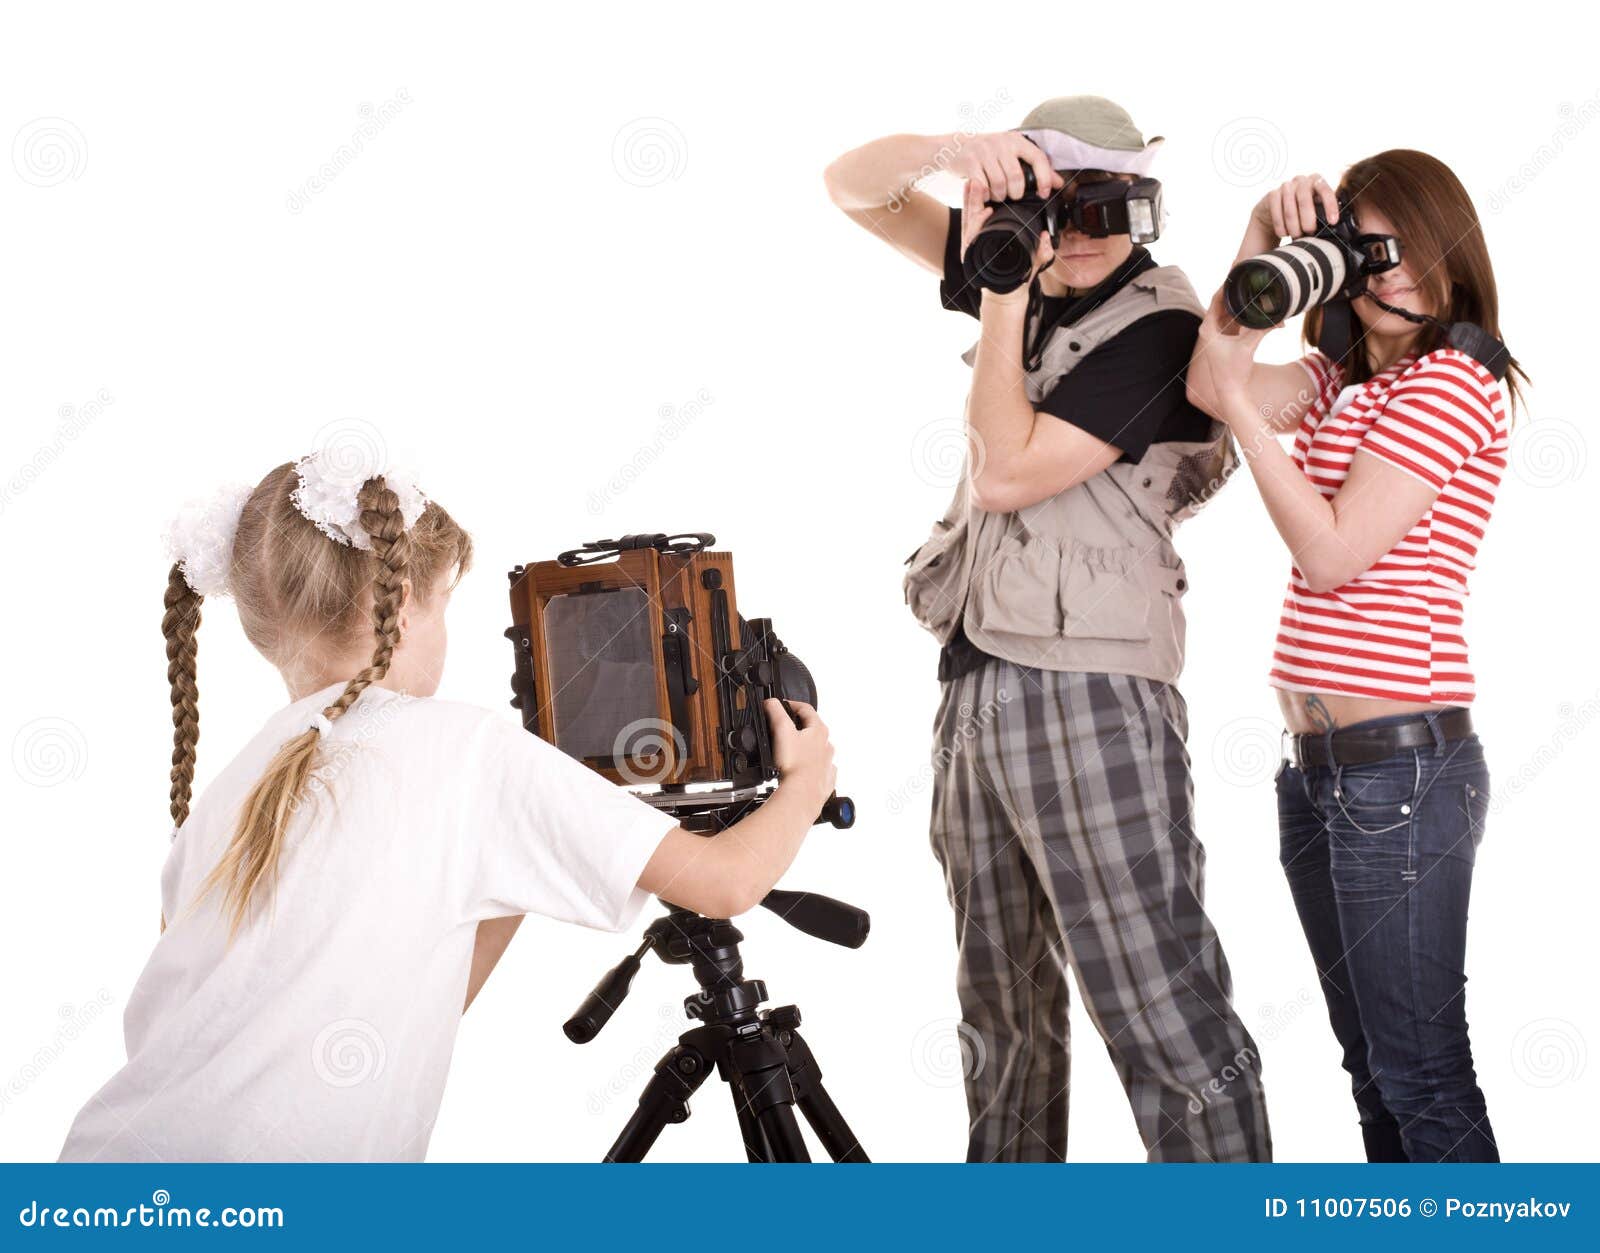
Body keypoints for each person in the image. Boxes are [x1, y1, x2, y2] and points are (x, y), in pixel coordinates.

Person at [58, 451, 836, 1161]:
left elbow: (390, 1007)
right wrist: (806, 783)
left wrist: (530, 859)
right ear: (405, 607)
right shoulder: (463, 745)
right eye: (444, 605)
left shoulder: (239, 779)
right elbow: (726, 881)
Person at [825, 95, 1270, 1162]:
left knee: (1159, 1006)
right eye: (1057, 207)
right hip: (975, 683)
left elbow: (1010, 470)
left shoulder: (1163, 328)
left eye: (1105, 209)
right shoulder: (1018, 265)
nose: (1079, 236)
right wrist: (952, 155)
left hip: (1090, 693)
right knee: (1002, 1021)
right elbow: (850, 185)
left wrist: (999, 299)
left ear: (1143, 207)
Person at [1187, 152, 1525, 1162]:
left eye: (1405, 247)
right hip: (1321, 773)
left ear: (1450, 252)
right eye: (1361, 250)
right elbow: (1214, 377)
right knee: (1372, 1068)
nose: (1387, 271)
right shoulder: (1347, 379)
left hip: (1399, 771)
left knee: (1421, 1071)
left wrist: (1252, 421)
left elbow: (1331, 553)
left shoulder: (1457, 379)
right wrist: (1258, 235)